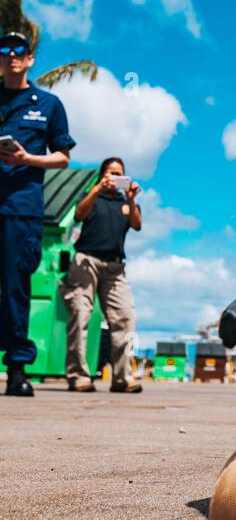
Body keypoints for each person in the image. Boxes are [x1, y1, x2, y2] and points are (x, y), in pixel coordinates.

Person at [0, 29, 76, 397]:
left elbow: (63, 156)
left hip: (21, 209)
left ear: (30, 58)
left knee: (16, 288)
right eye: (5, 49)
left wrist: (26, 158)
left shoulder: (48, 104)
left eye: (19, 50)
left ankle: (17, 369)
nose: (11, 54)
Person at [61, 158, 143, 393]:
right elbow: (79, 214)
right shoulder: (92, 196)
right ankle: (78, 375)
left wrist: (131, 198)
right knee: (80, 315)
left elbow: (137, 225)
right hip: (86, 262)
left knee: (125, 318)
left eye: (119, 174)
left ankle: (122, 378)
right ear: (101, 175)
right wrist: (96, 189)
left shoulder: (125, 202)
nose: (114, 178)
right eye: (110, 173)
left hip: (115, 267)